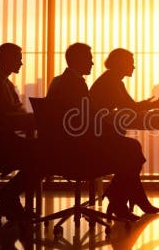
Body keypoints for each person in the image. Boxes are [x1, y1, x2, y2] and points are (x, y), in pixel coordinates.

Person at [45, 43, 151, 221]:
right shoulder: (75, 84)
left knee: (130, 149)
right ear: (78, 60)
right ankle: (117, 198)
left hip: (64, 146)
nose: (93, 63)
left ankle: (119, 197)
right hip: (78, 149)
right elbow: (89, 117)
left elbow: (86, 115)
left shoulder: (60, 80)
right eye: (89, 58)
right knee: (132, 149)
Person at [90, 48, 159, 214]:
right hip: (98, 138)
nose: (133, 67)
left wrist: (151, 104)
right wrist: (154, 105)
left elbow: (129, 105)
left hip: (101, 133)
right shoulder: (111, 81)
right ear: (121, 64)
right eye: (131, 63)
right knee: (132, 151)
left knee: (132, 152)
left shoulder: (113, 80)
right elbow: (129, 107)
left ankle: (122, 198)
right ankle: (124, 198)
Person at [0, 43, 42, 219]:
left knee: (41, 153)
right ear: (7, 59)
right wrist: (31, 118)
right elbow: (7, 115)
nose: (21, 63)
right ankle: (8, 195)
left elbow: (12, 111)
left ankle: (9, 195)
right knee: (42, 157)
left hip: (0, 138)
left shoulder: (1, 80)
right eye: (18, 59)